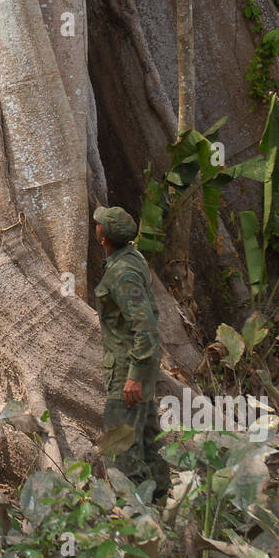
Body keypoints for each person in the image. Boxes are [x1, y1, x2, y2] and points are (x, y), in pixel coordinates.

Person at [93, 205, 171, 496]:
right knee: (149, 441)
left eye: (99, 224)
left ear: (103, 238)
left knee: (121, 451)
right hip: (136, 367)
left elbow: (146, 327)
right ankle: (161, 507)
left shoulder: (123, 273)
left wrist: (134, 376)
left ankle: (138, 517)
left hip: (128, 373)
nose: (96, 223)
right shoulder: (129, 258)